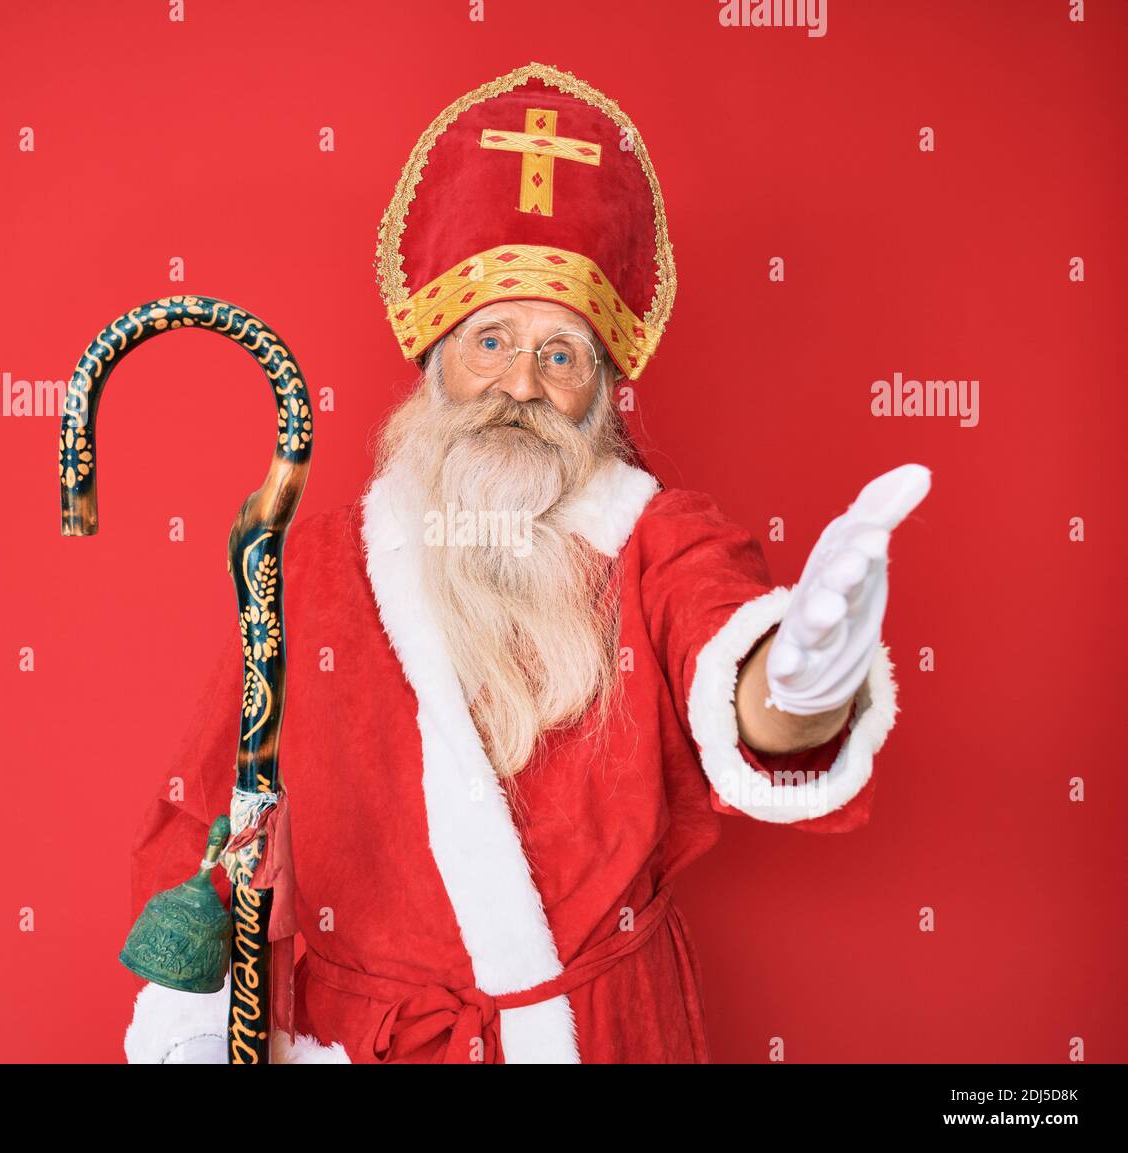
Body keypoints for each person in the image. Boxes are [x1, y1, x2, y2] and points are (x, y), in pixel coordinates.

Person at [122, 61, 929, 1064]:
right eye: (490, 339)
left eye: (561, 354)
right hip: (366, 1043)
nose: (519, 382)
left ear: (598, 395)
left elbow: (746, 681)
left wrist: (804, 676)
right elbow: (206, 812)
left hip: (604, 1036)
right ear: (433, 367)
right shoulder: (313, 568)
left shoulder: (658, 542)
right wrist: (192, 1023)